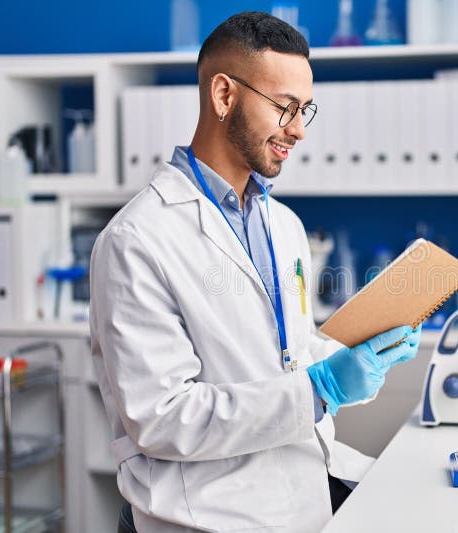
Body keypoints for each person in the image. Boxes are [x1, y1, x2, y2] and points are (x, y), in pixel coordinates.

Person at [89, 11, 422, 533]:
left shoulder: (282, 224)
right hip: (200, 519)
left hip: (297, 502)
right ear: (224, 95)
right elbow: (162, 418)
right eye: (285, 107)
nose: (298, 130)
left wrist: (356, 356)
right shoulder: (136, 240)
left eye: (304, 110)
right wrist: (320, 390)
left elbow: (287, 353)